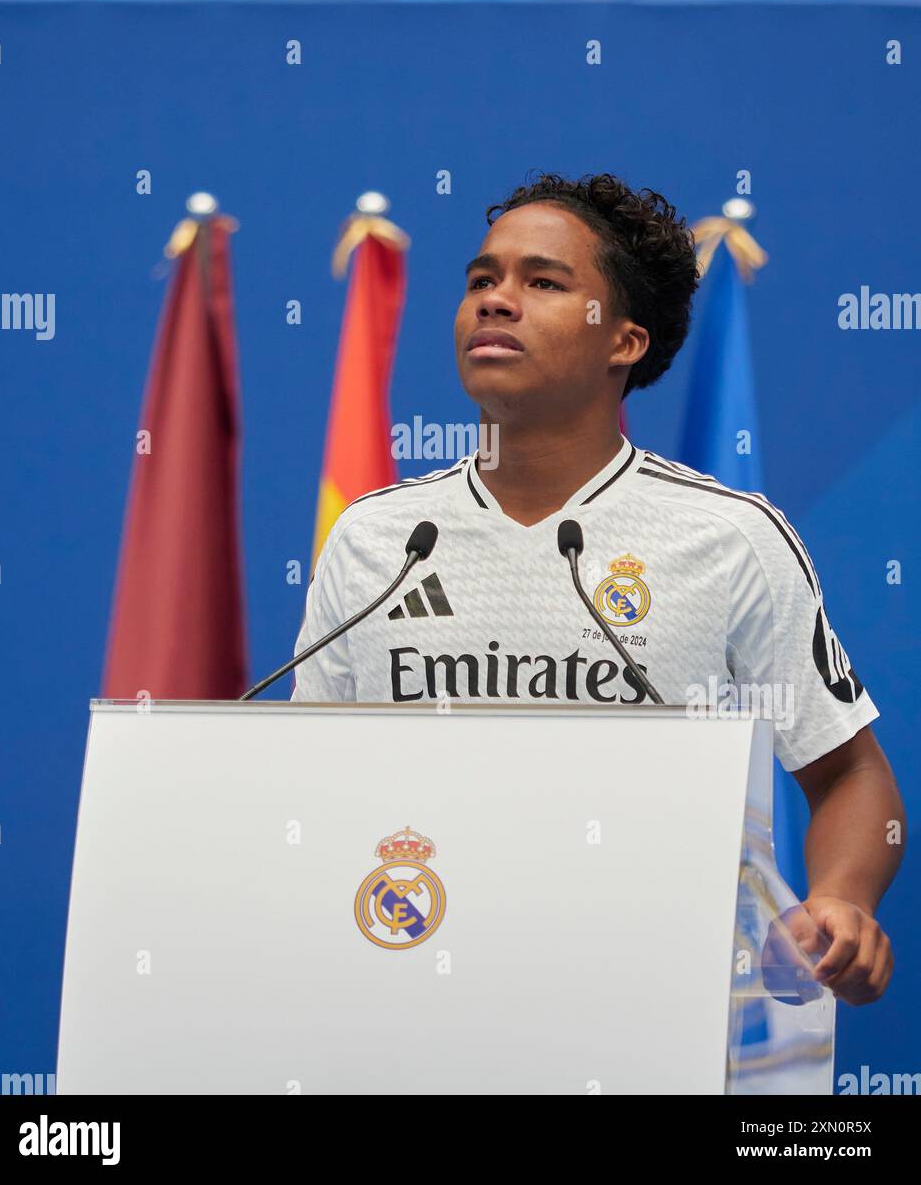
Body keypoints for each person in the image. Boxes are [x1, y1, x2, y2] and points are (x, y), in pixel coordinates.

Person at [290, 170, 902, 1005]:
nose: (495, 301)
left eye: (542, 282)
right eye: (482, 280)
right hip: (408, 984)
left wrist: (841, 898)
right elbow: (300, 779)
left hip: (647, 999)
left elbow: (849, 773)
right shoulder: (377, 539)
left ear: (624, 340)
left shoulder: (729, 538)